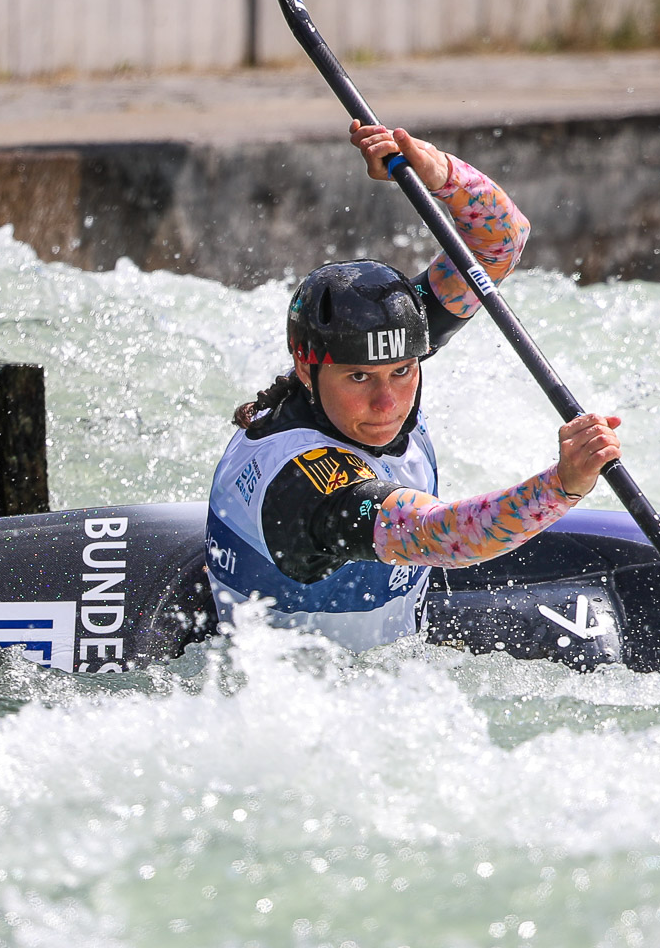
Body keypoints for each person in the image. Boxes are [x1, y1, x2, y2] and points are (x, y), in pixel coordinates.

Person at [205, 120, 624, 649]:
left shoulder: (393, 341)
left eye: (402, 371)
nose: (387, 401)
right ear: (307, 368)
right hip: (306, 697)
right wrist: (563, 483)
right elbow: (438, 533)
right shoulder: (301, 480)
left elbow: (501, 240)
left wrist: (433, 168)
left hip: (400, 654)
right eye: (359, 377)